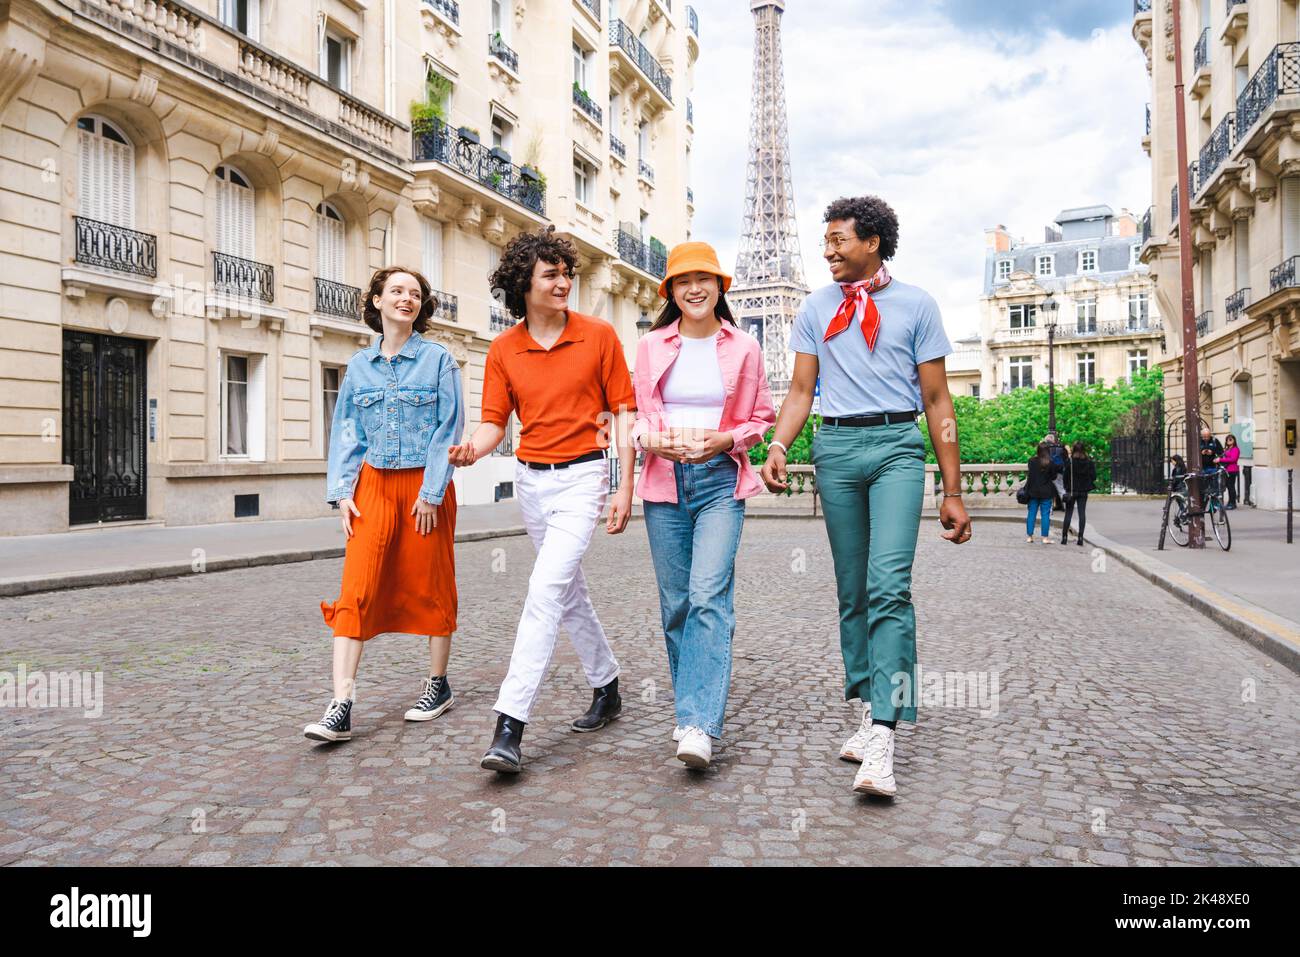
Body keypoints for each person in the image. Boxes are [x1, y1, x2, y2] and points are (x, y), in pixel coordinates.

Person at [760, 195, 972, 799]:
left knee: (889, 586)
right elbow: (802, 390)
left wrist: (951, 490)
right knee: (852, 589)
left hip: (898, 447)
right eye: (825, 240)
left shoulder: (916, 305)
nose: (827, 250)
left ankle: (886, 728)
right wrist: (779, 446)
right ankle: (867, 703)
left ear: (872, 241)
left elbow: (938, 402)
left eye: (838, 240)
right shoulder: (815, 308)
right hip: (835, 450)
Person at [448, 227, 636, 774]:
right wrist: (471, 452)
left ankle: (510, 725)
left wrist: (624, 485)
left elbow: (623, 414)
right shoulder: (505, 349)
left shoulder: (599, 335)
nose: (563, 282)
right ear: (523, 284)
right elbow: (492, 424)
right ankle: (608, 685)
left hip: (584, 478)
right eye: (550, 274)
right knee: (568, 593)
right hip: (532, 482)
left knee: (544, 591)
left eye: (566, 273)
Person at [631, 242, 775, 769]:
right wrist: (650, 440)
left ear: (720, 287)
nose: (695, 288)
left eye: (705, 279)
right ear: (670, 290)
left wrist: (727, 441)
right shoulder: (650, 347)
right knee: (676, 605)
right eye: (683, 280)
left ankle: (698, 723)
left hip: (719, 482)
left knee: (708, 596)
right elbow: (641, 416)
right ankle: (690, 702)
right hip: (663, 482)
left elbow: (760, 417)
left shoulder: (744, 347)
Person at [306, 267, 465, 743]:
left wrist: (432, 492)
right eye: (396, 291)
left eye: (415, 294)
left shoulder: (439, 360)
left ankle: (437, 685)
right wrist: (342, 492)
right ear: (376, 300)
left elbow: (449, 428)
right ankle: (341, 704)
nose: (406, 299)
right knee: (356, 588)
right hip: (373, 485)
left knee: (432, 580)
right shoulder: (358, 367)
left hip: (424, 484)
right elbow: (347, 430)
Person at [1060, 440, 1095, 546]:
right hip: (1083, 491)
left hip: (1071, 491)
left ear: (1074, 449)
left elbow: (1065, 477)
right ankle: (1080, 538)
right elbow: (1094, 477)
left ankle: (1064, 537)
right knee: (1082, 513)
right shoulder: (1089, 462)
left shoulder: (1069, 462)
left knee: (1068, 514)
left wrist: (1067, 488)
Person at [1024, 441, 1058, 544]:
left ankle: (1030, 536)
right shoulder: (1051, 463)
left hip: (1033, 491)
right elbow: (1054, 477)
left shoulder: (1031, 461)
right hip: (1046, 492)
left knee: (1031, 514)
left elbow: (1030, 476)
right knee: (1045, 515)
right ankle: (1045, 538)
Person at [1217, 433, 1240, 508]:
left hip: (1232, 470)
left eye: (1231, 439)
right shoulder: (1227, 449)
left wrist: (1220, 459)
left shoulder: (1235, 449)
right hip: (1226, 470)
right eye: (1227, 439)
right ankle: (1230, 502)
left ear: (1234, 440)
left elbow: (1233, 459)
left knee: (1231, 486)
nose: (1229, 441)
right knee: (1228, 486)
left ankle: (1233, 503)